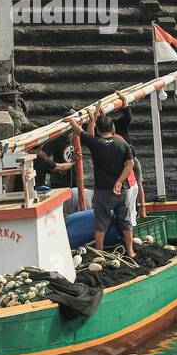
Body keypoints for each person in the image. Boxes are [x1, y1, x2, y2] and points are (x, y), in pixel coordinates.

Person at [66, 107, 136, 257]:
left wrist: (71, 120)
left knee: (101, 222)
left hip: (103, 191)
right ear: (113, 128)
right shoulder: (121, 142)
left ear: (98, 131)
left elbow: (80, 132)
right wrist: (119, 181)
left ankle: (100, 253)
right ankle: (130, 250)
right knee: (125, 220)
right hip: (121, 190)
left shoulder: (95, 143)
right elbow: (130, 164)